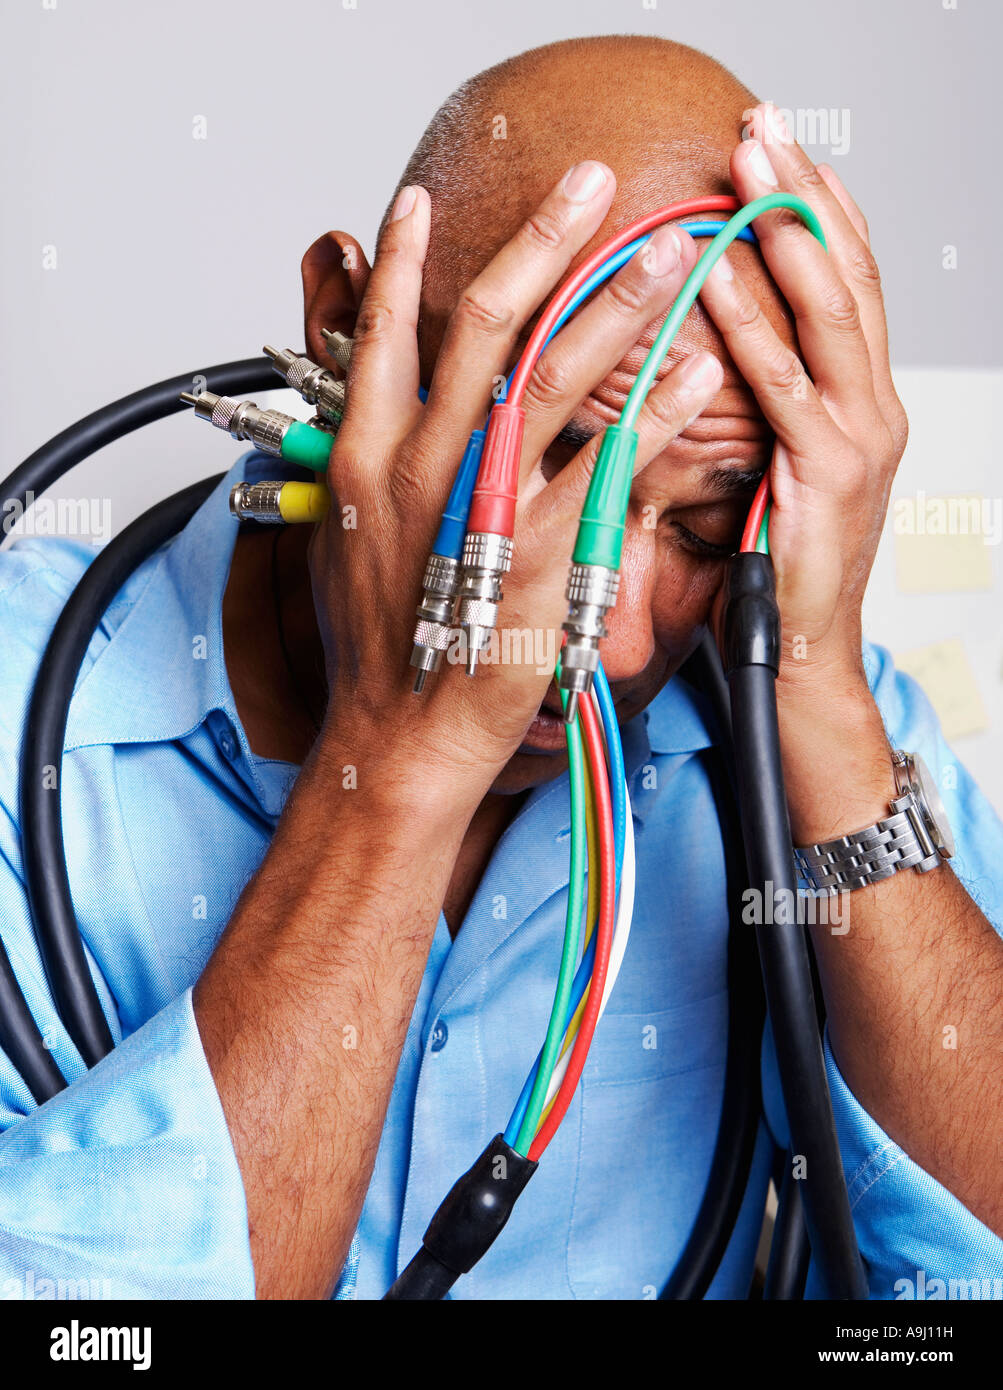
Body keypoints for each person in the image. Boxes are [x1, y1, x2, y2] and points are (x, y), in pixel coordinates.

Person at [1, 35, 1001, 1301]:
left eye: (701, 526)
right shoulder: (21, 717)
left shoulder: (808, 728)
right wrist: (398, 760)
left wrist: (817, 701)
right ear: (344, 330)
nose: (618, 641)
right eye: (535, 477)